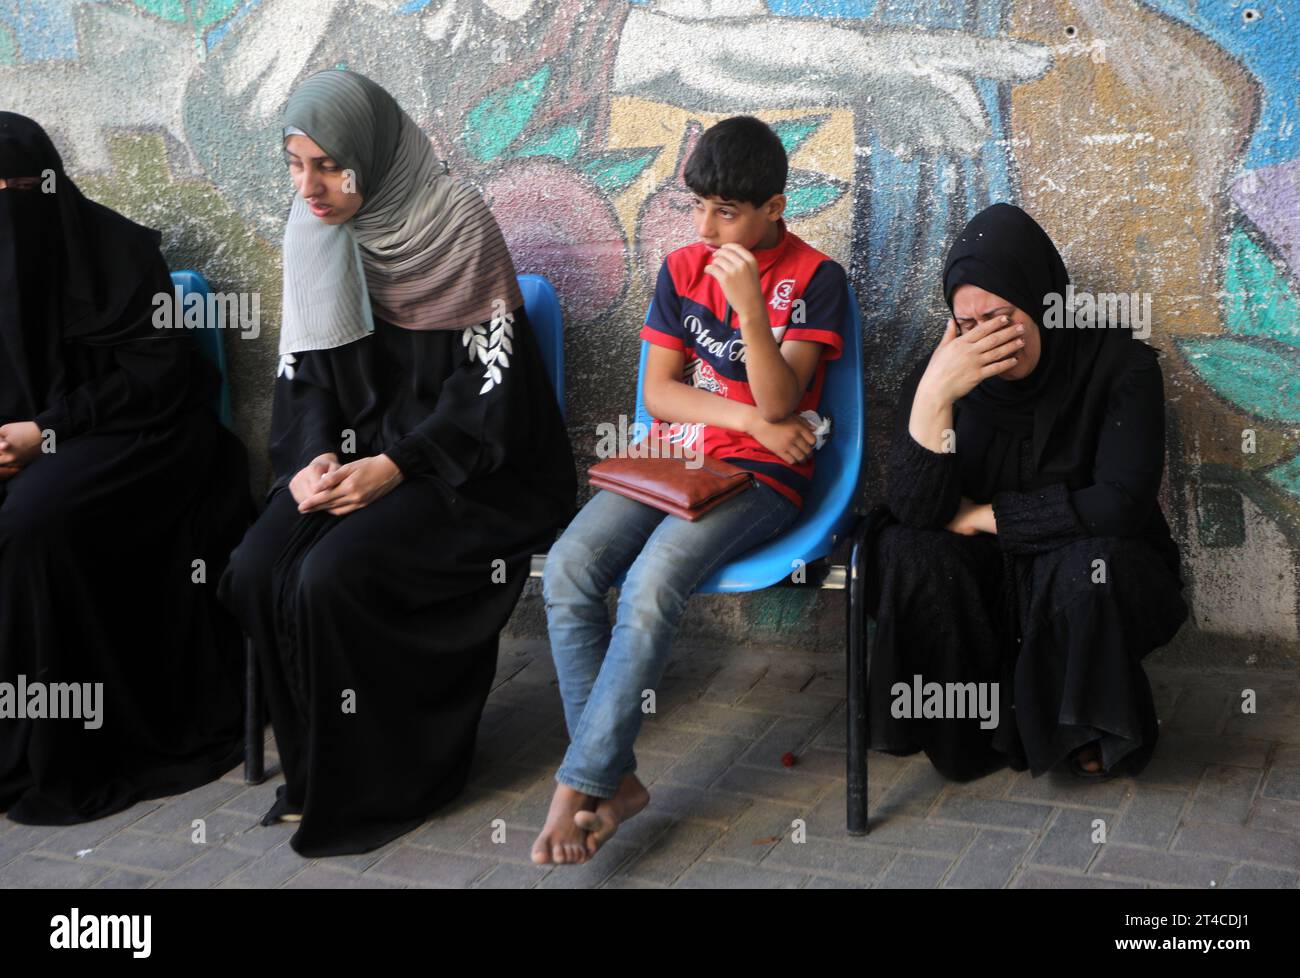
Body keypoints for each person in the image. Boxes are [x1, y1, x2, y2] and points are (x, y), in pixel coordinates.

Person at [218, 69, 576, 857]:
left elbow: (493, 390)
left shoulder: (456, 225)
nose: (309, 187)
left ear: (371, 156)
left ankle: (399, 777)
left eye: (328, 166)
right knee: (252, 566)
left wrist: (396, 465)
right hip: (354, 460)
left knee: (332, 575)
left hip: (469, 467)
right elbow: (304, 373)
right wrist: (310, 459)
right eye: (295, 164)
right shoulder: (313, 231)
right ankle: (317, 770)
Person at [535, 116, 848, 864]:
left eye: (727, 211)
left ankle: (576, 788)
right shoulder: (679, 270)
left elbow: (783, 405)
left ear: (776, 206)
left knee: (650, 585)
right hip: (673, 458)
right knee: (570, 569)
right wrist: (750, 417)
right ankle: (618, 782)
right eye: (698, 205)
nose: (706, 227)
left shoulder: (816, 281)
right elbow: (662, 394)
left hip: (764, 479)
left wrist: (748, 308)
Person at [867, 202, 1188, 782]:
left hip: (1087, 564)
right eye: (966, 325)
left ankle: (1086, 725)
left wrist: (986, 517)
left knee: (1093, 565)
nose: (984, 338)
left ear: (1043, 302)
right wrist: (935, 397)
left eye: (1001, 316)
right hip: (985, 581)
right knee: (907, 549)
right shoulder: (945, 374)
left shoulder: (1121, 367)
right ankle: (965, 729)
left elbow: (1119, 504)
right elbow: (917, 513)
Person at [0, 112, 251, 824]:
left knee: (35, 524)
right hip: (29, 440)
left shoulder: (113, 252)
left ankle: (57, 744)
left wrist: (44, 431)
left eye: (12, 188)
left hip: (141, 435)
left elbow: (157, 374)